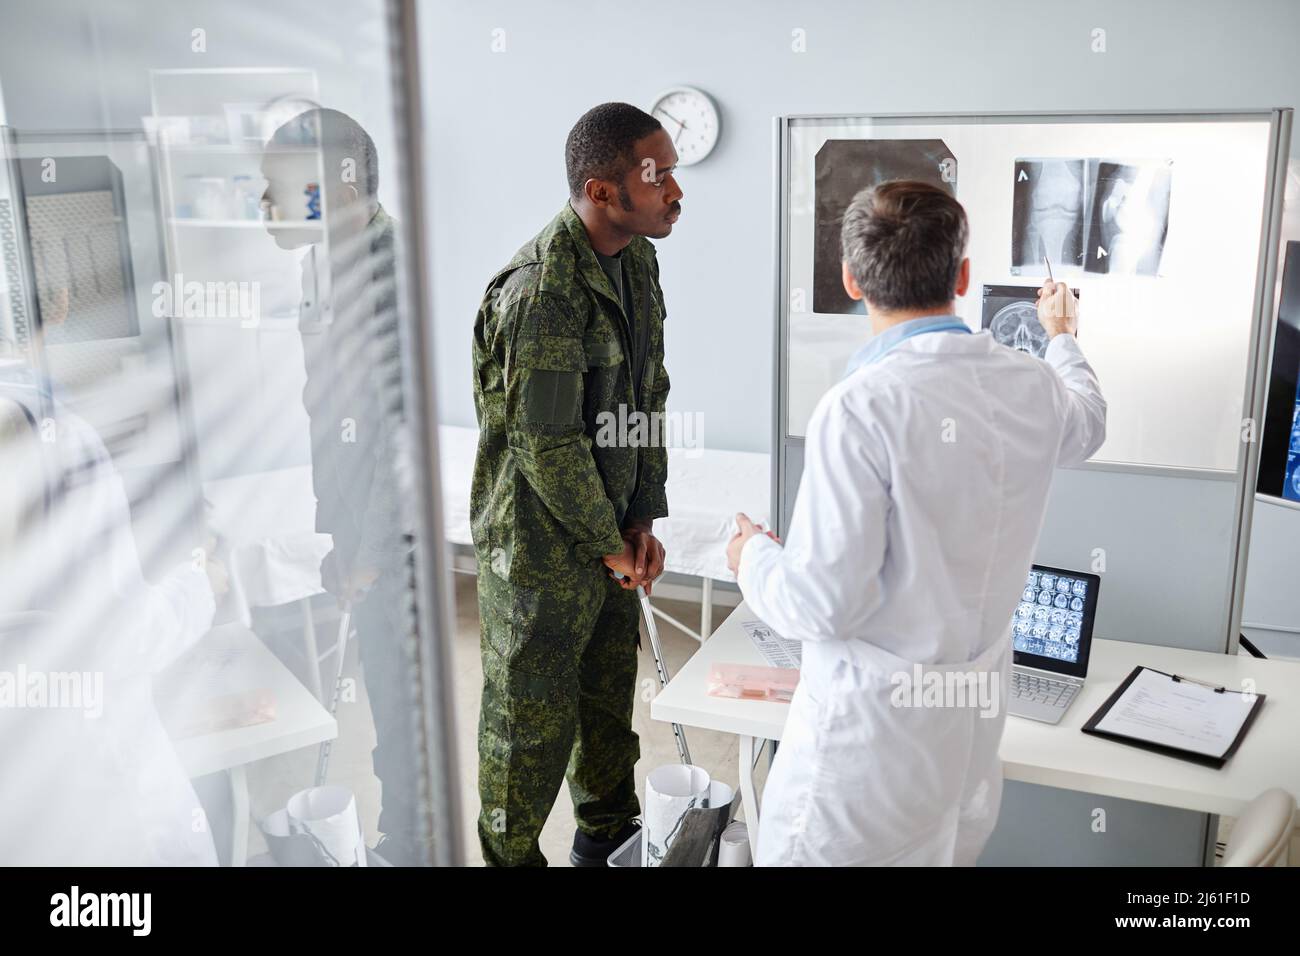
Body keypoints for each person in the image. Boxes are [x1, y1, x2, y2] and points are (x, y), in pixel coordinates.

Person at [726, 180, 1107, 866]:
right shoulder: (1032, 385)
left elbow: (820, 604)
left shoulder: (861, 408)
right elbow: (1089, 420)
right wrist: (1062, 335)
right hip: (962, 743)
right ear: (961, 275)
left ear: (849, 279)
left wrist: (750, 555)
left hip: (864, 761)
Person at [470, 102, 681, 866]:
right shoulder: (541, 292)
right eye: (657, 177)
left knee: (605, 720)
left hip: (609, 539)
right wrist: (607, 540)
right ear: (601, 191)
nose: (675, 193)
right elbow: (546, 444)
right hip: (537, 557)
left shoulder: (639, 263)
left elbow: (647, 394)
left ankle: (605, 845)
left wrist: (643, 519)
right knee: (527, 738)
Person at [261, 109, 423, 863]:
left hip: (398, 534)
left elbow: (402, 429)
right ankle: (401, 840)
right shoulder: (316, 266)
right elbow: (328, 410)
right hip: (355, 522)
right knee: (385, 698)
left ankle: (413, 845)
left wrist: (374, 550)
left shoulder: (392, 271)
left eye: (274, 187)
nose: (263, 204)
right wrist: (337, 534)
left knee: (406, 708)